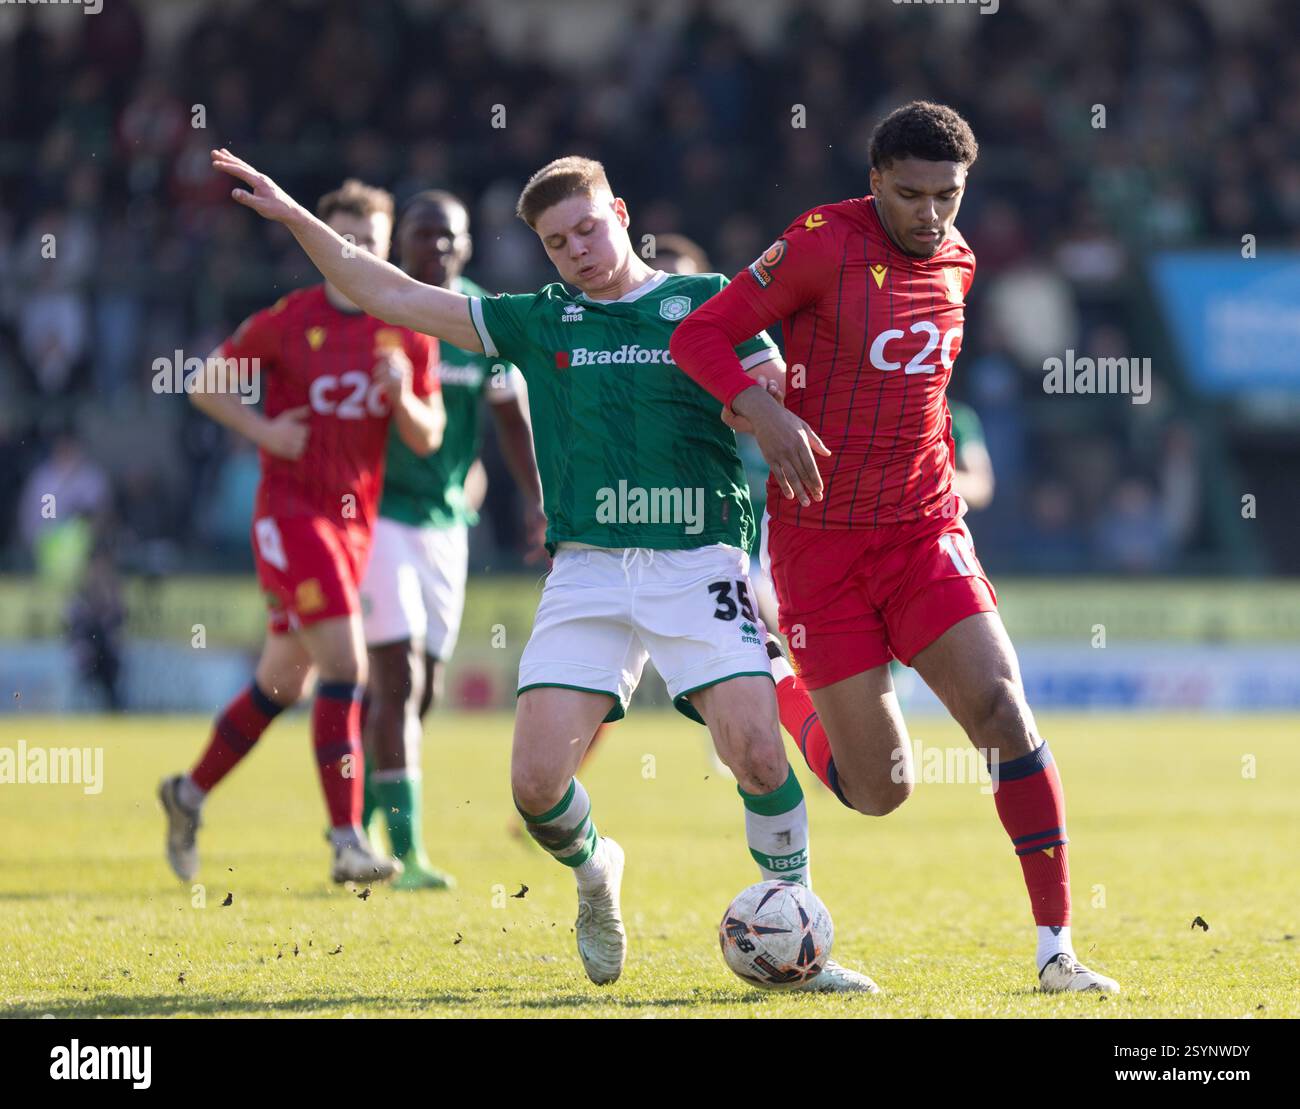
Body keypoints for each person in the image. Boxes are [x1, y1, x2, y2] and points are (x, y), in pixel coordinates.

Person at [210, 146, 874, 992]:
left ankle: (798, 935)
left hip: (696, 556)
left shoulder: (707, 304)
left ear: (622, 214)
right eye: (558, 242)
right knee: (534, 786)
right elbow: (387, 291)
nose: (579, 250)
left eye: (589, 228)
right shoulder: (536, 317)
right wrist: (295, 214)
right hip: (588, 570)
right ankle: (598, 875)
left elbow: (766, 411)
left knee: (754, 749)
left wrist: (768, 400)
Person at [669, 101, 1120, 994]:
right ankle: (785, 685)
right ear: (874, 181)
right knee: (880, 791)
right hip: (820, 547)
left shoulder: (960, 258)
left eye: (947, 195)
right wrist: (764, 411)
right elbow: (698, 333)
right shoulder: (814, 243)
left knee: (1001, 710)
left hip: (922, 530)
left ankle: (1056, 946)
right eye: (910, 194)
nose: (930, 214)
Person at [159, 179, 445, 886]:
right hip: (292, 515)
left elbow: (430, 436)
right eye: (345, 242)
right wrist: (262, 431)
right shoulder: (289, 321)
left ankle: (187, 792)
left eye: (369, 244)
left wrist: (403, 393)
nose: (356, 255)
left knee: (281, 683)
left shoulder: (405, 325)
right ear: (324, 245)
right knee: (348, 667)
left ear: (383, 249)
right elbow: (202, 382)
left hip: (355, 525)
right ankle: (347, 839)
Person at [358, 189, 544, 891]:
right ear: (400, 242)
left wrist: (535, 498)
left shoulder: (476, 320)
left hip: (446, 523)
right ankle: (405, 855)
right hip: (378, 515)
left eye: (448, 236)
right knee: (399, 676)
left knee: (424, 684)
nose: (435, 247)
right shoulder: (380, 306)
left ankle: (362, 809)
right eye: (423, 233)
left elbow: (510, 416)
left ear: (466, 247)